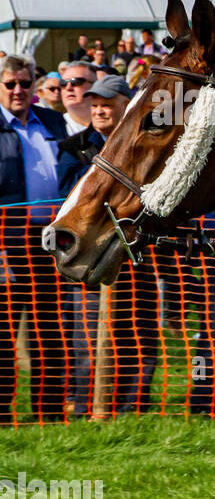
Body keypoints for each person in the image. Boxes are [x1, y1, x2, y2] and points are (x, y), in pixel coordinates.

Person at [57, 75, 159, 415]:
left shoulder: (145, 145)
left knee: (138, 331)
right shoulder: (74, 147)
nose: (99, 110)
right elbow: (67, 194)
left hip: (136, 251)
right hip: (90, 253)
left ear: (125, 106)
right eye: (95, 105)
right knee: (87, 333)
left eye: (107, 105)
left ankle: (133, 406)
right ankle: (86, 404)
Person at [0, 52, 68, 420]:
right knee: (4, 330)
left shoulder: (54, 122)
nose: (18, 90)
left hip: (52, 240)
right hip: (6, 241)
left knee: (50, 328)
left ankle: (50, 412)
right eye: (10, 84)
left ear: (34, 86)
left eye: (25, 83)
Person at [60, 60, 96, 134]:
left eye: (76, 81)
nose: (68, 88)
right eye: (63, 83)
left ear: (95, 86)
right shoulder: (52, 128)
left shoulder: (113, 124)